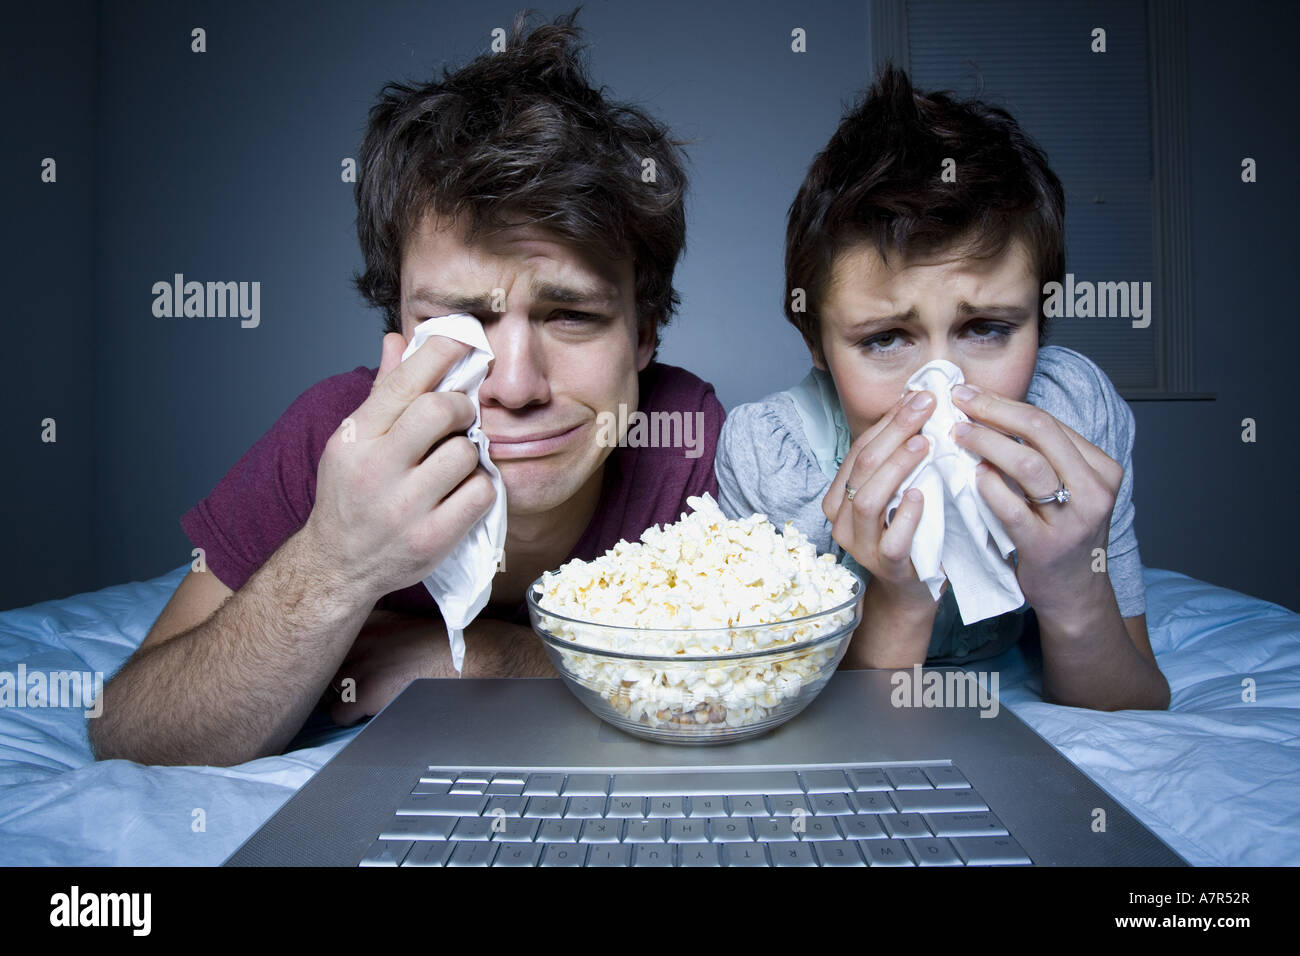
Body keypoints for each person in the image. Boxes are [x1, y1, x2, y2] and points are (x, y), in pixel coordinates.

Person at [90, 11, 723, 767]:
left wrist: (483, 661)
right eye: (460, 321)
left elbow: (761, 690)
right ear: (396, 327)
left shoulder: (688, 442)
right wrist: (335, 562)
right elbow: (128, 731)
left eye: (573, 315)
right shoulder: (335, 436)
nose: (516, 386)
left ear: (644, 332)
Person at [715, 65, 1168, 711]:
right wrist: (897, 597)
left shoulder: (1073, 410)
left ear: (1039, 324)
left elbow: (1132, 701)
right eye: (884, 339)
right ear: (816, 342)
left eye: (985, 329)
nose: (942, 387)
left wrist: (1073, 585)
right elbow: (809, 718)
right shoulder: (772, 459)